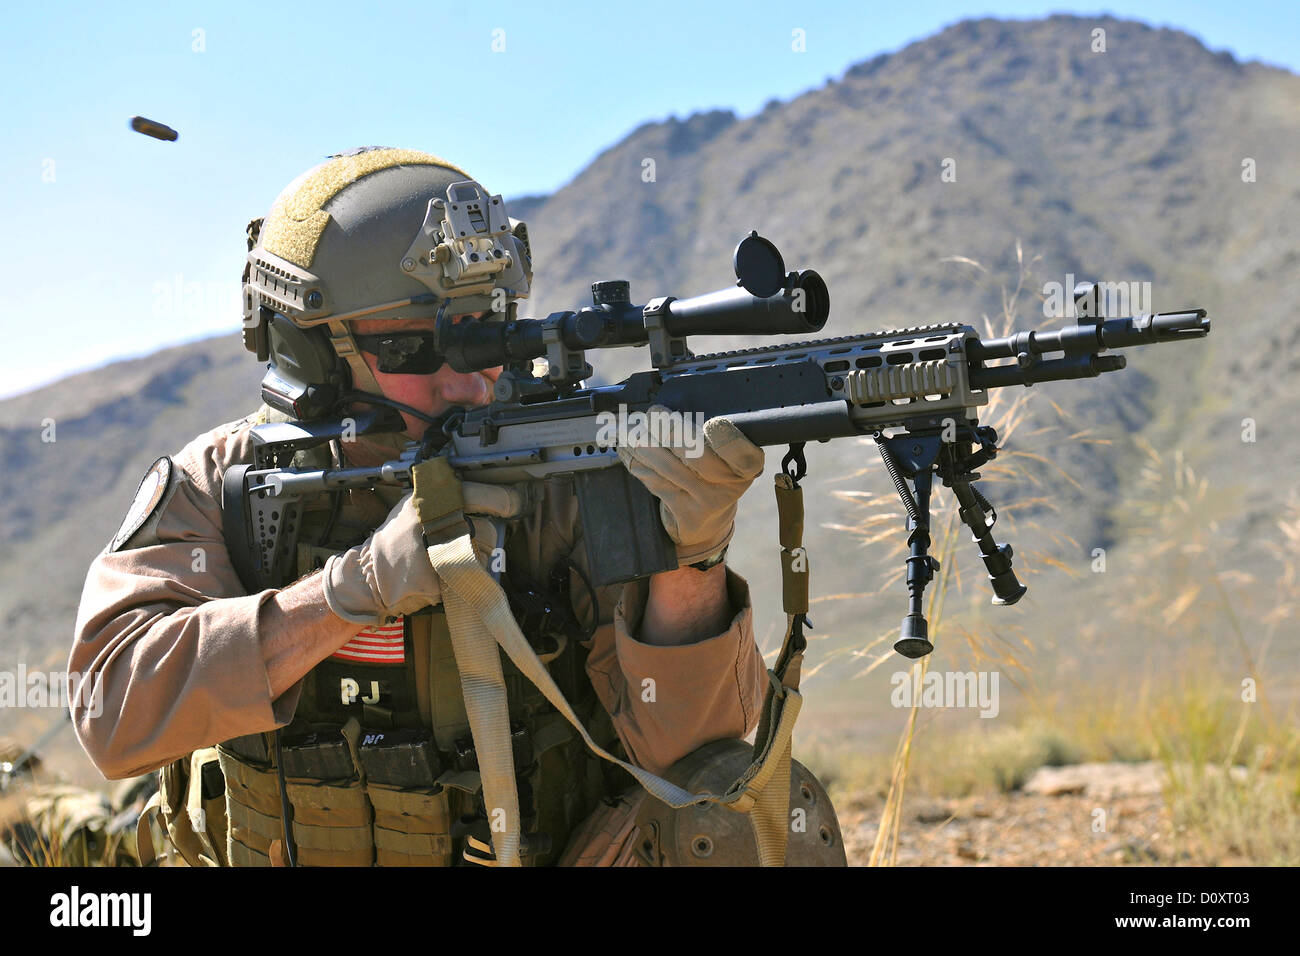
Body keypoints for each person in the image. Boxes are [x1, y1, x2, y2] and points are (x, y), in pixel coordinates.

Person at [68, 147, 776, 867]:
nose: (465, 383)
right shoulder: (221, 482)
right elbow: (111, 718)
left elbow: (696, 765)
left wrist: (695, 560)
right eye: (416, 349)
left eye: (487, 337)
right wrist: (349, 593)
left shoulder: (561, 478)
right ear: (311, 353)